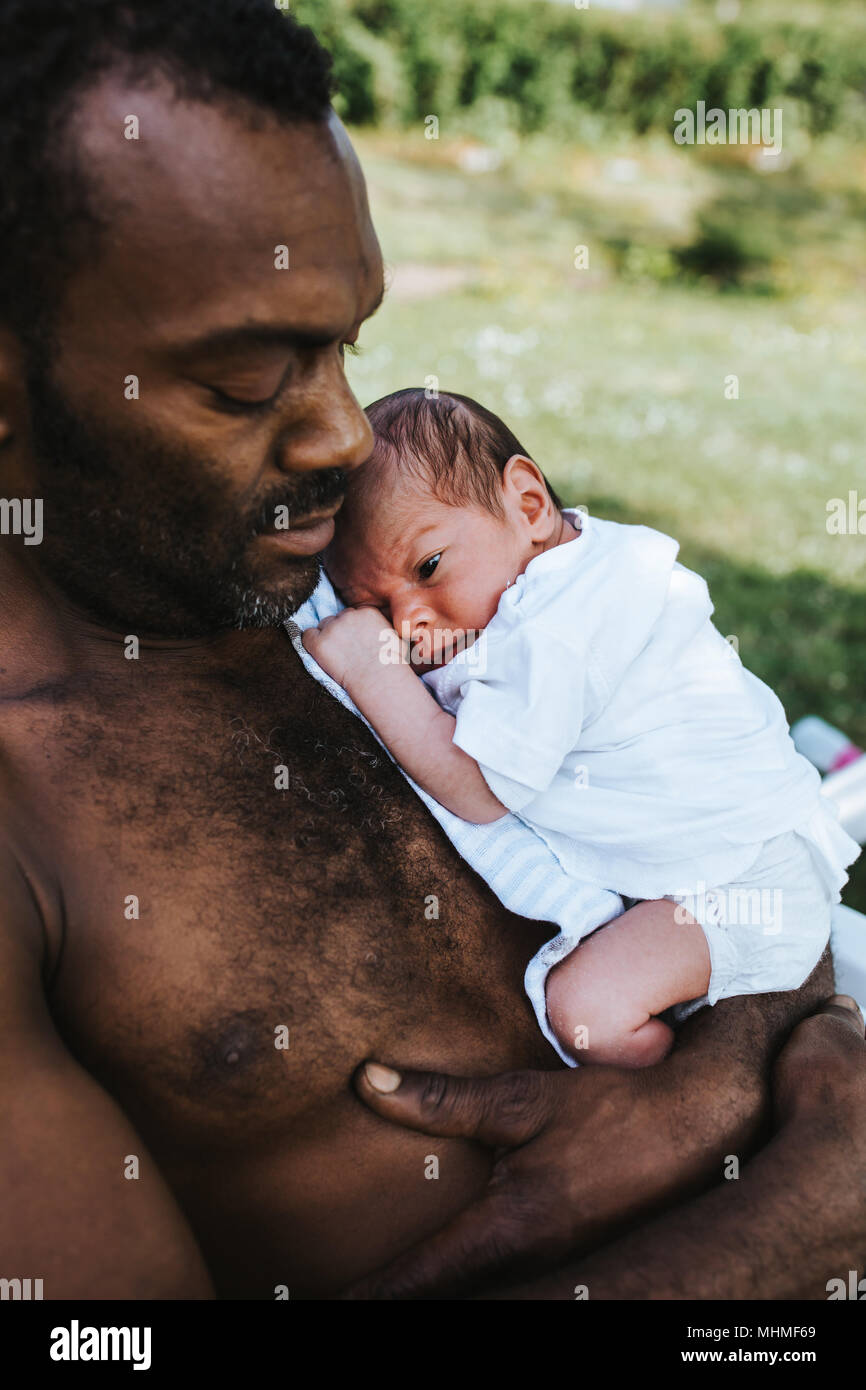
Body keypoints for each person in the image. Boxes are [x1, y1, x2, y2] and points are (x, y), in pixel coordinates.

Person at [1, 0, 864, 1301]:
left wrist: (732, 1079)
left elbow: (714, 843)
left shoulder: (350, 577)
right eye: (244, 383)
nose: (344, 437)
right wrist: (792, 1209)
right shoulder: (30, 817)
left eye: (347, 347)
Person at [306, 389, 862, 1068]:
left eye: (427, 569)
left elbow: (479, 789)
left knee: (584, 1011)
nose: (410, 624)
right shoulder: (555, 572)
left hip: (740, 887)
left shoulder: (557, 632)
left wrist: (373, 670)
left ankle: (669, 1097)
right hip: (729, 860)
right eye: (376, 607)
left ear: (529, 506)